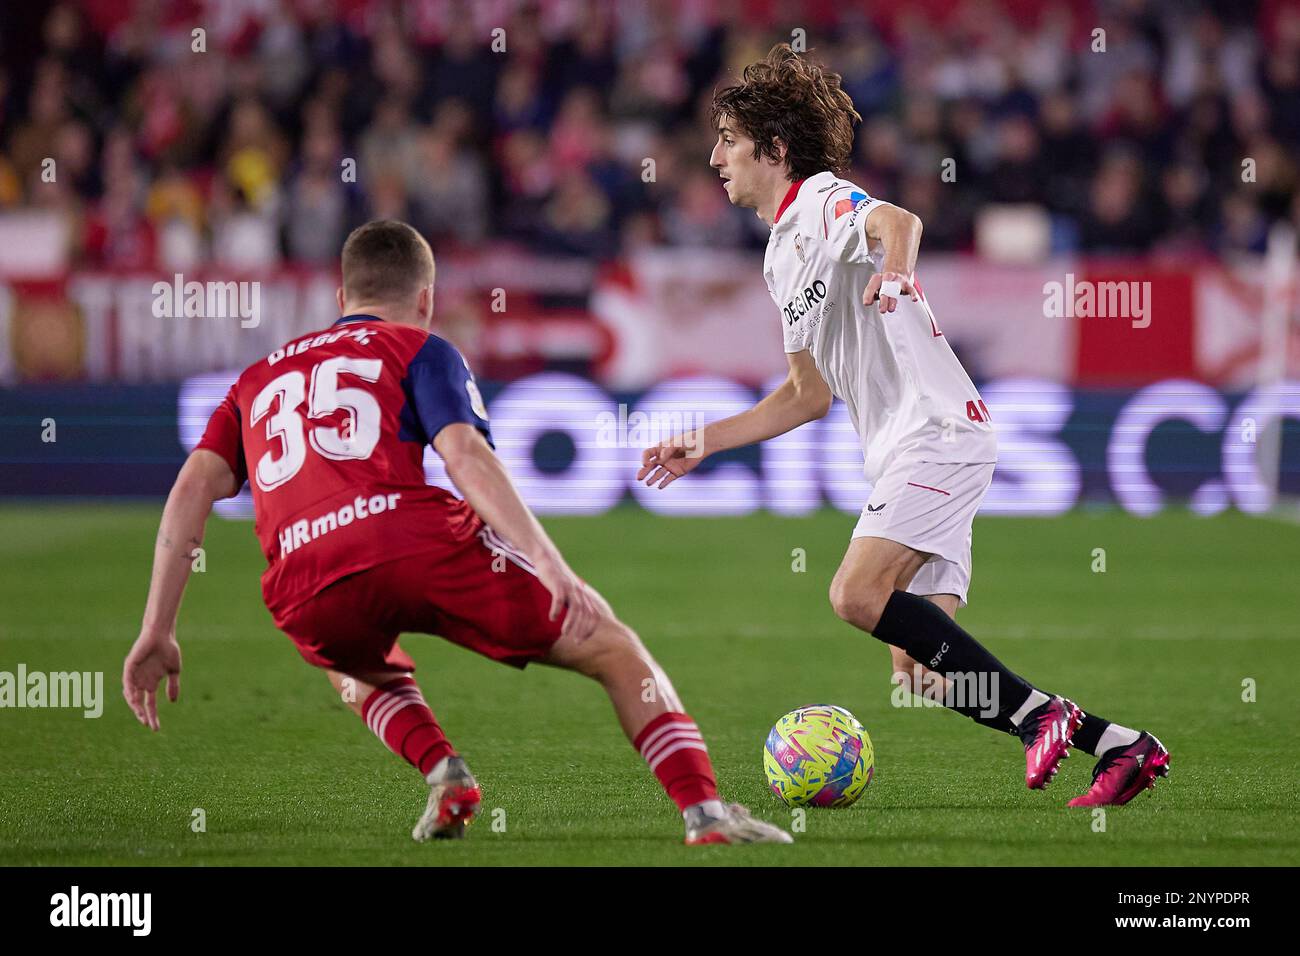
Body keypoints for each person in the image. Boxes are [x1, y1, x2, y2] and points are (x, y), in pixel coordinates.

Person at [123, 219, 791, 845]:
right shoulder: (419, 347)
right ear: (426, 297)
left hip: (302, 576)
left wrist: (157, 627)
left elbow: (191, 488)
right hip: (412, 542)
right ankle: (705, 812)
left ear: (340, 295)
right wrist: (549, 563)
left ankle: (445, 775)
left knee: (344, 659)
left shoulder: (256, 378)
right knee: (613, 647)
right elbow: (466, 457)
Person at [638, 45, 1169, 807]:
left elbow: (899, 221)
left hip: (937, 433)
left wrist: (893, 269)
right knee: (919, 675)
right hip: (903, 450)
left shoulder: (819, 199)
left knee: (854, 594)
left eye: (728, 138)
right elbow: (804, 394)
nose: (715, 155)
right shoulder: (778, 258)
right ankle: (1120, 747)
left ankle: (1038, 719)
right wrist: (703, 441)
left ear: (775, 150)